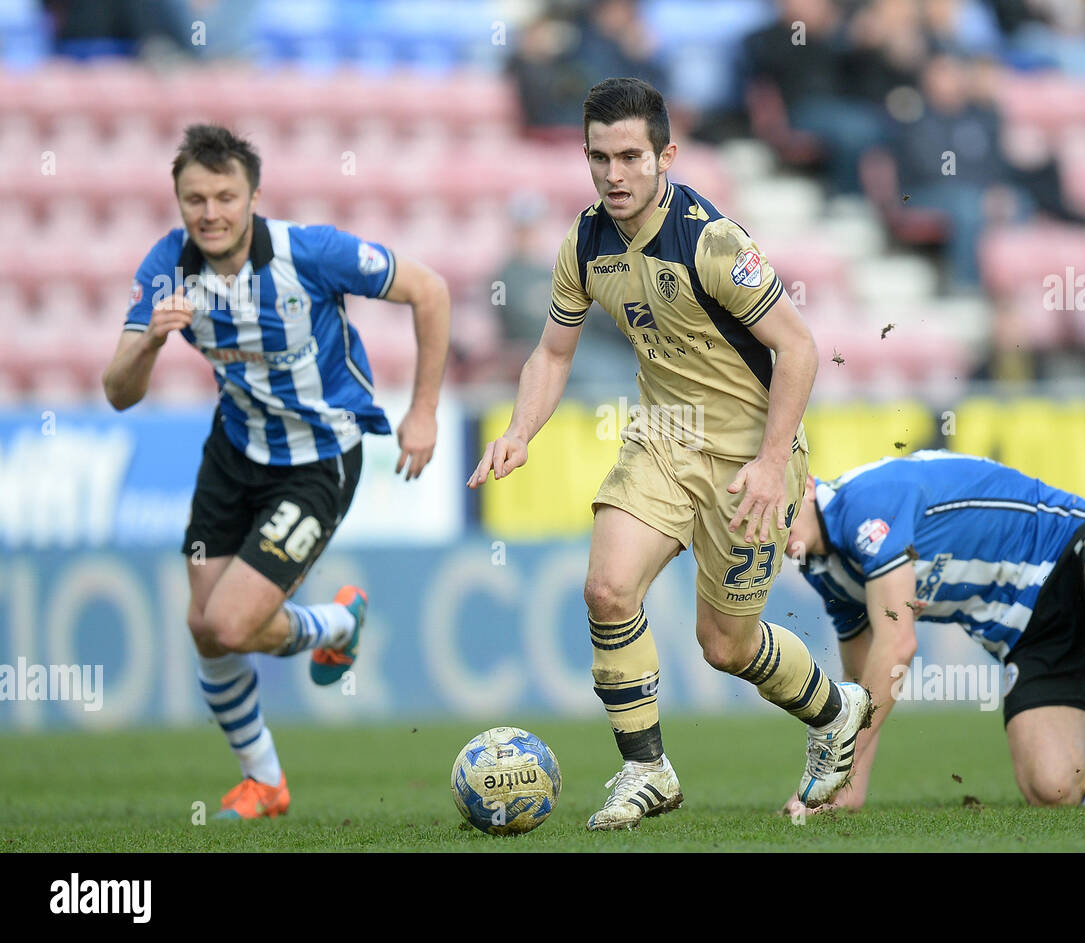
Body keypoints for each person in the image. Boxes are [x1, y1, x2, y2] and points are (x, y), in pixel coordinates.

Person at [468, 78, 871, 830]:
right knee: (606, 589)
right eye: (599, 158)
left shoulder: (711, 241)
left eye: (630, 156)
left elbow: (799, 347)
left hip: (752, 455)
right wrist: (521, 430)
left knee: (726, 645)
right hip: (663, 435)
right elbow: (552, 354)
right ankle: (646, 768)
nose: (614, 175)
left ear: (666, 156)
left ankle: (835, 710)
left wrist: (770, 455)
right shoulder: (585, 242)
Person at [102, 124, 451, 819]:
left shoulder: (309, 252)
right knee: (205, 626)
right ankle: (264, 779)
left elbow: (430, 290)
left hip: (318, 457)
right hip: (233, 451)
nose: (210, 212)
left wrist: (423, 413)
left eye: (225, 196)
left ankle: (334, 625)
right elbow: (117, 391)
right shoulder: (167, 267)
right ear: (178, 201)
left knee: (229, 625)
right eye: (194, 198)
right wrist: (149, 342)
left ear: (253, 197)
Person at [781, 450, 1085, 815]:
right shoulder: (819, 565)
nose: (768, 532)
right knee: (1054, 790)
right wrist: (847, 789)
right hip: (1030, 634)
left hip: (1075, 544)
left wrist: (827, 778)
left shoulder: (864, 504)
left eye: (775, 507)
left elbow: (896, 646)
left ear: (804, 483)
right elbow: (862, 680)